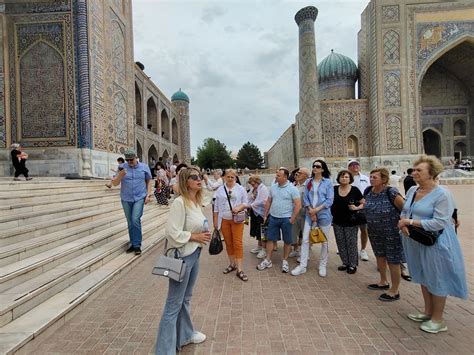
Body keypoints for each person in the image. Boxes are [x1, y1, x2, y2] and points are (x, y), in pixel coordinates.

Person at [398, 155, 467, 334]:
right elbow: (405, 210)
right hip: (416, 241)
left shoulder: (442, 194)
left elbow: (439, 222)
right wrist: (403, 222)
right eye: (414, 170)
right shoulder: (413, 190)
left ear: (431, 173)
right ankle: (427, 312)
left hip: (436, 243)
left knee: (437, 277)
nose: (414, 173)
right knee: (423, 275)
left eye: (419, 170)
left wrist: (410, 223)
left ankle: (438, 319)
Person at [155, 167, 211, 353]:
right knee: (173, 304)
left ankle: (185, 335)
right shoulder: (179, 203)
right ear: (186, 181)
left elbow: (211, 195)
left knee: (185, 299)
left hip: (194, 254)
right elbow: (172, 232)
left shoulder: (194, 202)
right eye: (194, 177)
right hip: (183, 257)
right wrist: (195, 237)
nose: (199, 180)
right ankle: (164, 350)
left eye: (200, 177)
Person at [364, 168, 405, 301]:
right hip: (374, 230)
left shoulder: (391, 192)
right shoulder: (368, 191)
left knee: (393, 260)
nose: (371, 179)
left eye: (374, 177)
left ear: (384, 180)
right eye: (370, 176)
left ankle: (394, 290)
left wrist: (403, 224)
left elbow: (404, 208)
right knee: (379, 256)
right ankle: (383, 281)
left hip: (391, 231)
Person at [291, 160, 334, 277]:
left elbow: (329, 200)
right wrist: (311, 210)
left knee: (324, 241)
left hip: (323, 215)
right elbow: (305, 198)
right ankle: (302, 266)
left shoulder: (328, 182)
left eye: (318, 166)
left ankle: (322, 265)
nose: (315, 168)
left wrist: (316, 210)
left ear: (322, 169)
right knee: (305, 239)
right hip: (309, 214)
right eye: (313, 166)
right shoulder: (309, 182)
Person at [257, 168, 301, 273]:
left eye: (278, 176)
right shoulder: (273, 187)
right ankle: (267, 260)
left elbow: (298, 205)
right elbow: (269, 201)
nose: (276, 177)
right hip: (273, 218)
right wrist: (265, 214)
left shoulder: (292, 189)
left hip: (286, 219)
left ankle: (285, 261)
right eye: (276, 175)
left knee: (287, 241)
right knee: (270, 239)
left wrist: (292, 218)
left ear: (285, 177)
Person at [111, 148, 153, 255]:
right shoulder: (122, 167)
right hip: (126, 198)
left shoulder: (144, 167)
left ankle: (137, 245)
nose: (129, 162)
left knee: (135, 219)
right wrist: (120, 176)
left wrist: (148, 194)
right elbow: (114, 183)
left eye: (131, 160)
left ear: (136, 158)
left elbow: (148, 181)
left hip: (139, 197)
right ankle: (133, 244)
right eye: (127, 160)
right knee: (130, 222)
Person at [213, 169, 249, 281]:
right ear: (224, 177)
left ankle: (239, 269)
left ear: (235, 177)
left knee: (237, 243)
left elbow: (246, 202)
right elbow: (216, 206)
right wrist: (215, 221)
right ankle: (232, 264)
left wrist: (239, 207)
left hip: (237, 220)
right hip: (224, 219)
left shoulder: (240, 189)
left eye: (232, 177)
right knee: (228, 243)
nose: (229, 179)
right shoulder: (220, 190)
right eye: (227, 176)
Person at [331, 170, 364, 274]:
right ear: (338, 178)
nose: (344, 178)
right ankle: (345, 262)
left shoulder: (354, 190)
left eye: (346, 177)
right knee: (340, 242)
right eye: (342, 177)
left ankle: (353, 264)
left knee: (351, 243)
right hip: (337, 220)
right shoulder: (334, 189)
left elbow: (363, 203)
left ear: (350, 179)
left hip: (351, 221)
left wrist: (356, 207)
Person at [347, 160, 370, 261]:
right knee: (351, 229)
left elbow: (369, 191)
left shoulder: (365, 178)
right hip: (349, 206)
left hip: (362, 205)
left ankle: (363, 250)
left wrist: (363, 204)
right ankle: (351, 248)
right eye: (352, 165)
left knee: (363, 229)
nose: (355, 166)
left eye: (356, 165)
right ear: (349, 167)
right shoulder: (346, 178)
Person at [289, 168, 310, 258]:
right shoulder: (293, 185)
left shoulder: (309, 186)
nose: (296, 174)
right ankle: (295, 249)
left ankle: (305, 253)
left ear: (305, 176)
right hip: (294, 213)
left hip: (305, 213)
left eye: (299, 173)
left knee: (305, 234)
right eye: (296, 173)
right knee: (293, 233)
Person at [247, 175, 269, 258]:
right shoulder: (254, 188)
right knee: (257, 230)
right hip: (254, 211)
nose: (252, 186)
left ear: (257, 182)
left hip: (261, 213)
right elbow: (249, 197)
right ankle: (259, 246)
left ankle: (264, 249)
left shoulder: (263, 189)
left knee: (262, 231)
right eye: (251, 184)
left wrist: (250, 205)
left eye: (253, 184)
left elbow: (262, 201)